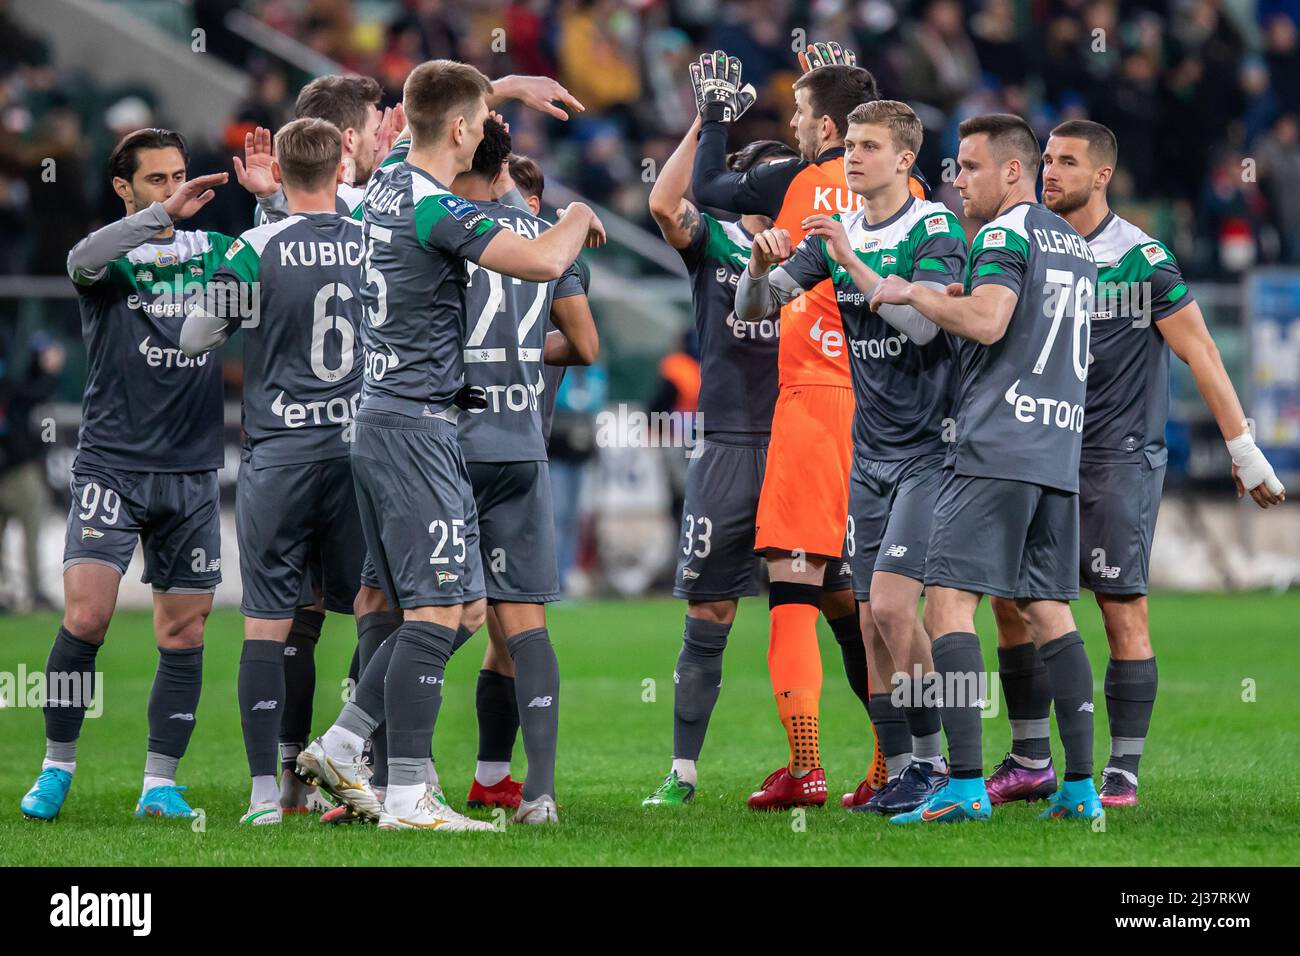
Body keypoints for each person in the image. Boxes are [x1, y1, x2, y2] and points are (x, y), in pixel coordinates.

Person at [295, 59, 603, 833]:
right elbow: (540, 260)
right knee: (440, 611)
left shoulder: (390, 179)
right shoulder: (434, 207)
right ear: (463, 133)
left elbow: (431, 113)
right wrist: (575, 214)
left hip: (385, 417)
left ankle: (346, 746)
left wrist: (499, 90)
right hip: (417, 423)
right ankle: (401, 794)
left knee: (452, 604)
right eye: (476, 122)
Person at [986, 119, 1285, 810]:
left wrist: (1242, 448)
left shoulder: (1141, 260)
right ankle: (1031, 756)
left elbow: (1203, 352)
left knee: (1122, 608)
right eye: (1047, 160)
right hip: (1036, 449)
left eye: (1067, 162)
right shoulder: (1024, 245)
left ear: (1102, 177)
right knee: (1010, 601)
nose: (1049, 171)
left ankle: (1120, 770)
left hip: (1114, 457)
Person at [690, 44, 925, 810]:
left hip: (814, 403)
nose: (791, 126)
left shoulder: (805, 182)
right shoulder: (913, 190)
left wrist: (715, 117)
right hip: (887, 415)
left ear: (826, 124)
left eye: (797, 113)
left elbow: (704, 192)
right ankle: (901, 763)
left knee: (792, 591)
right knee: (867, 603)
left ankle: (807, 765)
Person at [870, 113, 1102, 824]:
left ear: (1012, 171)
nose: (956, 181)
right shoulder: (1077, 244)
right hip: (1056, 450)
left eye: (968, 167)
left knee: (945, 606)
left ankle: (965, 786)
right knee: (1049, 611)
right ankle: (1081, 784)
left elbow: (990, 319)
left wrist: (918, 293)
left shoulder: (1005, 233)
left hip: (995, 445)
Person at [736, 99, 967, 815]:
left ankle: (935, 763)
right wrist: (756, 265)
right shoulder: (841, 233)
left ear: (904, 160)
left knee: (896, 611)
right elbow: (754, 309)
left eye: (868, 146)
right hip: (869, 451)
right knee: (868, 623)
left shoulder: (933, 227)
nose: (852, 158)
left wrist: (851, 263)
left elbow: (924, 326)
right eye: (850, 145)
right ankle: (899, 768)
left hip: (931, 451)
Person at [20, 129, 232, 822]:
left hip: (193, 467)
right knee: (86, 616)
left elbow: (258, 285)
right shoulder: (110, 254)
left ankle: (159, 783)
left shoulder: (214, 253)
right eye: (155, 180)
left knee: (185, 634)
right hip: (113, 462)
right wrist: (162, 215)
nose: (172, 188)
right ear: (125, 189)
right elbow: (80, 258)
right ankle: (56, 767)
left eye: (179, 176)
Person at [179, 117, 369, 826]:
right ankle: (355, 768)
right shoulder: (372, 241)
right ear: (340, 169)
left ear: (280, 172)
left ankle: (268, 794)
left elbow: (196, 335)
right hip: (362, 453)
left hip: (282, 452)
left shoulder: (255, 247)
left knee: (270, 623)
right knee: (378, 613)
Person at [640, 106, 796, 806]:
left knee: (849, 606)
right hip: (730, 443)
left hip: (807, 437)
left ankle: (887, 762)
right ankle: (684, 772)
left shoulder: (822, 246)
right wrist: (707, 123)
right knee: (711, 610)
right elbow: (664, 204)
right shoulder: (719, 244)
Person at [0, 330, 64, 612]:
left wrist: (42, 368)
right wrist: (48, 370)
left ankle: (25, 593)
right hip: (17, 472)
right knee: (31, 531)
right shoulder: (9, 383)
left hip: (13, 467)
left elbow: (26, 391)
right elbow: (32, 392)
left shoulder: (10, 382)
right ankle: (35, 593)